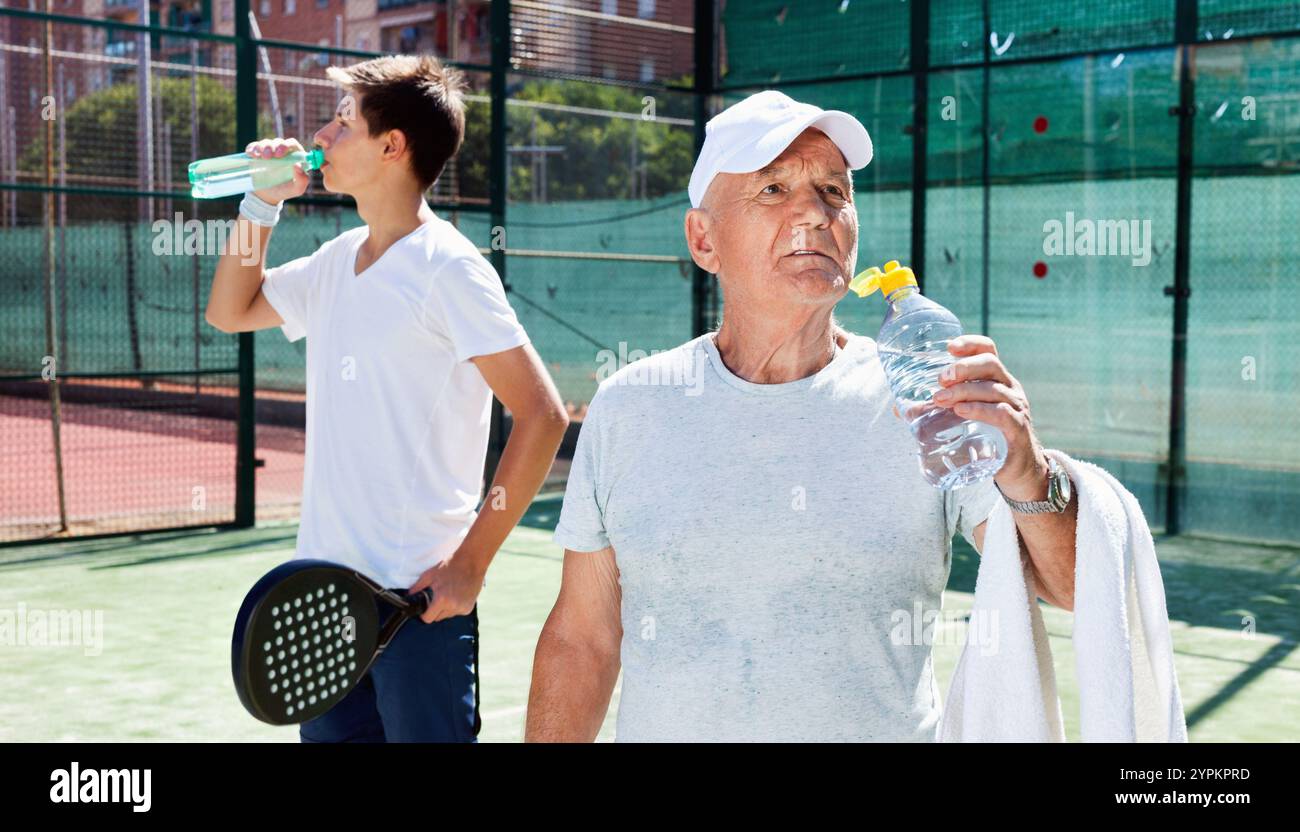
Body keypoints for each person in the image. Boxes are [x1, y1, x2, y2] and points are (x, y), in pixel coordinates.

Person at [525, 90, 1079, 742]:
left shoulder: (927, 396)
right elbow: (583, 640)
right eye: (773, 189)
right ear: (704, 238)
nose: (813, 214)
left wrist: (1027, 470)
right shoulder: (630, 407)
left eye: (834, 192)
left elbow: (1067, 586)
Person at [205, 55, 569, 742]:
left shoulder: (450, 268)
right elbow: (229, 310)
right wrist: (260, 204)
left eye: (343, 124)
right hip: (323, 602)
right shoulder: (335, 262)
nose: (323, 136)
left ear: (392, 146)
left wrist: (469, 565)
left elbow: (544, 416)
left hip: (419, 608)